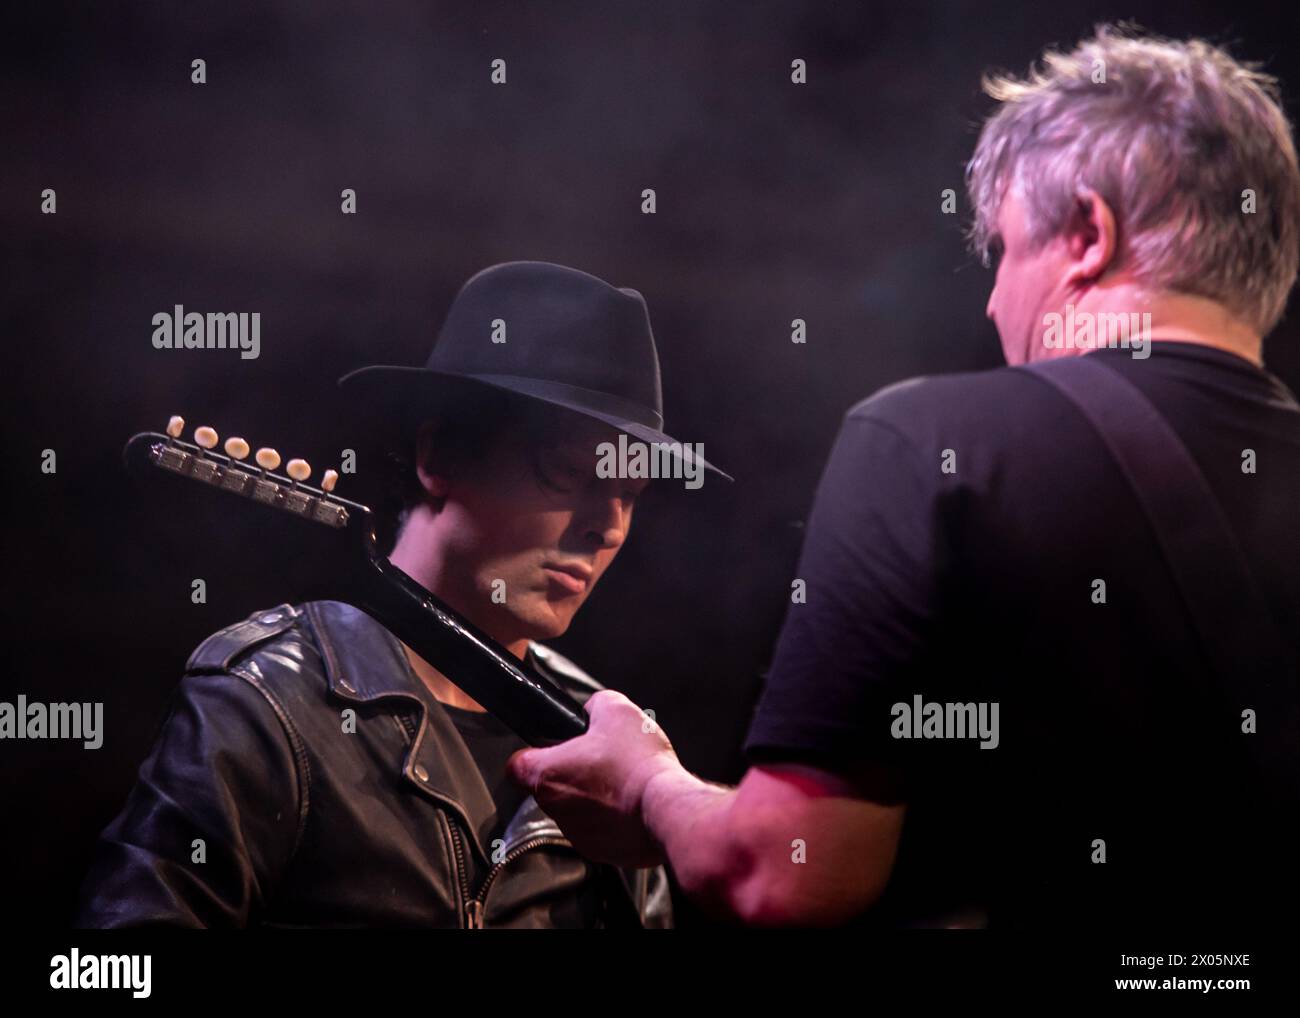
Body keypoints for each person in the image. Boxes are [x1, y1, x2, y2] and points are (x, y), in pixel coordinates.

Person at [509, 26, 1300, 928]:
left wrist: (649, 787)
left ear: (1088, 232)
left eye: (1003, 249)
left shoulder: (931, 439)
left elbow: (782, 874)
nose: (996, 297)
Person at [74, 260, 726, 927]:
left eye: (630, 494)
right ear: (440, 455)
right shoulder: (270, 697)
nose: (608, 525)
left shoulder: (608, 746)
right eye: (566, 471)